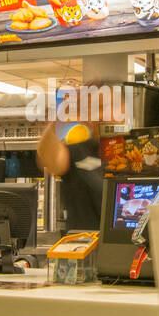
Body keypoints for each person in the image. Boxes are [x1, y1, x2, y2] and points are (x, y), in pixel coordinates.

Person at [35, 85, 104, 231]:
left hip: (121, 245)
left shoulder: (127, 149)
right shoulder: (77, 148)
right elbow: (52, 162)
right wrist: (57, 121)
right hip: (81, 245)